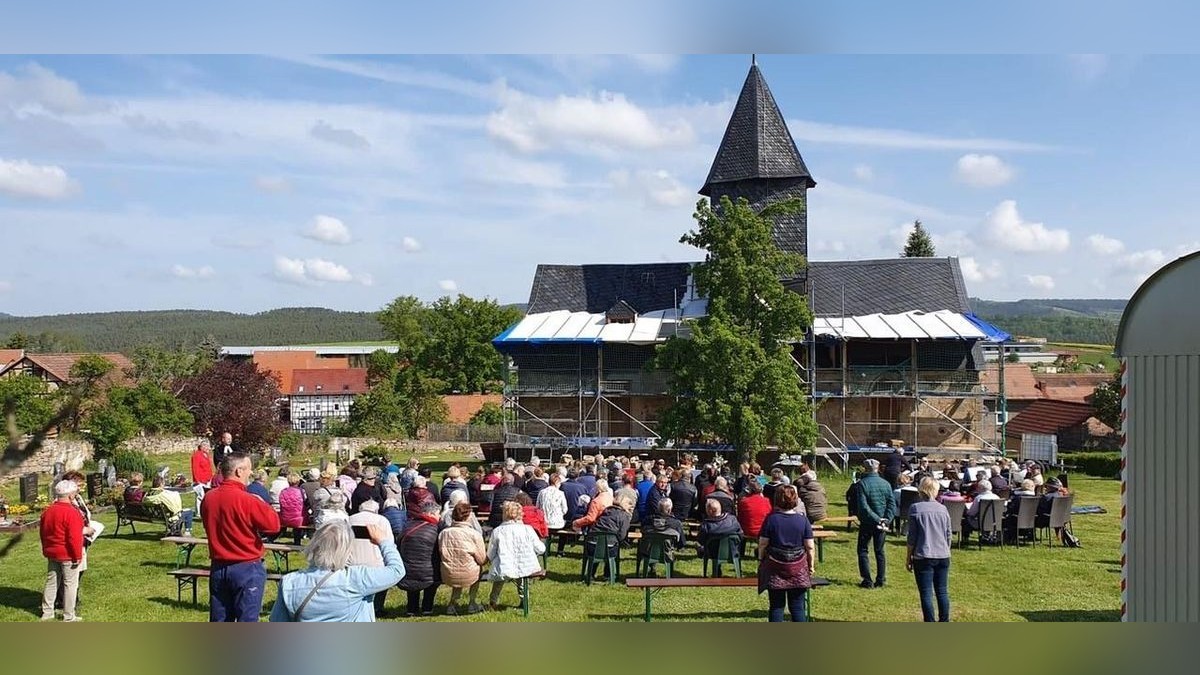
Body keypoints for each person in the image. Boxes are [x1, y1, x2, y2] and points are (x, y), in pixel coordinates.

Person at [200, 452, 281, 621]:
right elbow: (273, 526)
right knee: (247, 620)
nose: (250, 474)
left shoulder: (208, 498)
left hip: (219, 565)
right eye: (249, 470)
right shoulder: (248, 500)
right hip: (246, 565)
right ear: (239, 471)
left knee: (219, 619)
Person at [269, 520, 404, 622]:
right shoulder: (355, 579)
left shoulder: (289, 582)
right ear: (346, 550)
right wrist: (384, 542)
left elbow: (277, 621)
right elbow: (397, 570)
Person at [757, 484, 815, 622]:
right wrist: (811, 565)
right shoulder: (803, 520)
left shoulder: (771, 519)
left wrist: (760, 559)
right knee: (798, 607)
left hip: (775, 567)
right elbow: (810, 547)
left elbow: (763, 543)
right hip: (798, 567)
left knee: (776, 606)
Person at [906, 476, 952, 622]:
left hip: (923, 555)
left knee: (926, 593)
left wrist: (908, 557)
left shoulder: (915, 508)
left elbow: (912, 537)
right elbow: (948, 534)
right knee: (942, 591)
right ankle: (944, 621)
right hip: (943, 554)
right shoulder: (943, 509)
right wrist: (946, 549)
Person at [40, 480, 85, 622]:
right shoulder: (72, 512)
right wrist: (77, 556)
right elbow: (74, 538)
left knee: (52, 582)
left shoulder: (48, 511)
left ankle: (47, 612)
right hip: (67, 554)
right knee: (70, 584)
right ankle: (68, 616)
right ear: (71, 495)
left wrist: (46, 548)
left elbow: (43, 532)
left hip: (52, 552)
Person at [487, 501, 545, 610]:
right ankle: (524, 601)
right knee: (522, 578)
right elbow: (541, 549)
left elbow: (490, 554)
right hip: (527, 566)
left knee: (499, 580)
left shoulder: (498, 531)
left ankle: (492, 601)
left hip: (504, 566)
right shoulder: (528, 529)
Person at [438, 502, 487, 615]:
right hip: (469, 574)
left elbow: (441, 552)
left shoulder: (443, 533)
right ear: (469, 516)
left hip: (448, 573)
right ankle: (472, 602)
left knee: (459, 567)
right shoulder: (474, 534)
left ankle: (452, 603)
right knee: (476, 569)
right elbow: (482, 560)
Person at [855, 459, 897, 589]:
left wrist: (878, 519)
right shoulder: (886, 484)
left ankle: (867, 580)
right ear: (877, 469)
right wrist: (886, 519)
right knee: (880, 551)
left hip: (868, 522)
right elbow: (892, 504)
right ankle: (880, 579)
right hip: (882, 522)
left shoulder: (862, 484)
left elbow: (863, 507)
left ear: (865, 469)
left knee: (863, 550)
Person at [347, 500, 393, 615]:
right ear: (376, 510)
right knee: (381, 585)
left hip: (352, 561)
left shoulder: (349, 520)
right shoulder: (382, 520)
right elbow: (389, 542)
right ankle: (377, 607)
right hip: (375, 561)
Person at [397, 502, 442, 617]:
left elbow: (399, 542)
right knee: (431, 583)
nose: (439, 517)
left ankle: (412, 609)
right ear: (431, 514)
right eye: (438, 514)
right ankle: (427, 608)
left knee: (412, 585)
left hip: (409, 567)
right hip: (429, 570)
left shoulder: (408, 525)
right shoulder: (435, 529)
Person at [697, 498, 743, 565]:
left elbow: (701, 540)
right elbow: (741, 535)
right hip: (733, 551)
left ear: (709, 511)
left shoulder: (707, 525)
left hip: (712, 554)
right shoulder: (733, 520)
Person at [639, 498, 685, 564]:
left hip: (647, 553)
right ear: (670, 510)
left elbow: (642, 530)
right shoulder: (676, 523)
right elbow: (682, 543)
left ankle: (651, 568)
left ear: (658, 508)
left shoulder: (647, 520)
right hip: (667, 555)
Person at [737, 480, 772, 544]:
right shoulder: (766, 501)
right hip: (762, 533)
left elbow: (740, 518)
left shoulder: (744, 502)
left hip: (747, 533)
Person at [277, 473, 306, 544]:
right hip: (299, 520)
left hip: (285, 518)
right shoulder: (301, 491)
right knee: (300, 517)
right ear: (298, 481)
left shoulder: (283, 492)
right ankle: (297, 541)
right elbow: (305, 502)